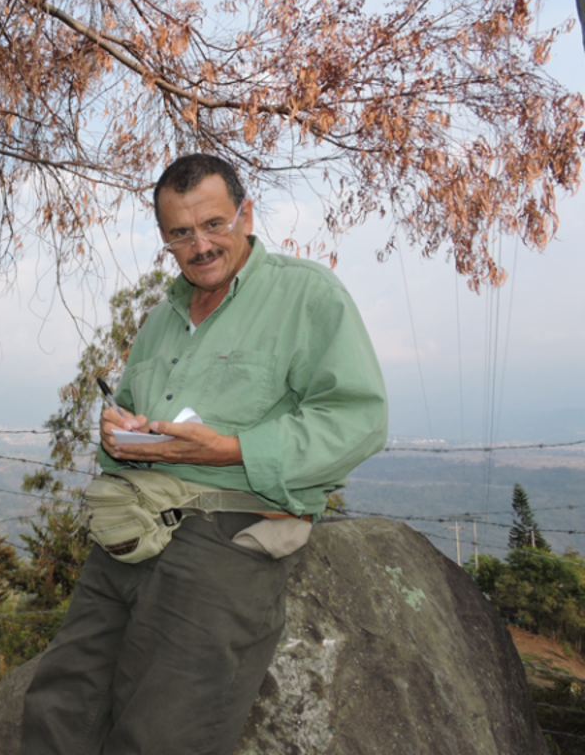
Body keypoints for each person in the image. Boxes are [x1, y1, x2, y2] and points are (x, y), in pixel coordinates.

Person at [19, 153, 388, 755]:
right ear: (165, 238)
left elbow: (359, 420)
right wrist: (122, 433)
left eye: (214, 224)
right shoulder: (162, 318)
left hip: (228, 529)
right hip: (133, 525)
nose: (201, 245)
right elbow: (138, 413)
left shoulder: (305, 294)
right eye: (181, 233)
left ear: (245, 215)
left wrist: (233, 450)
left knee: (162, 732)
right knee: (58, 705)